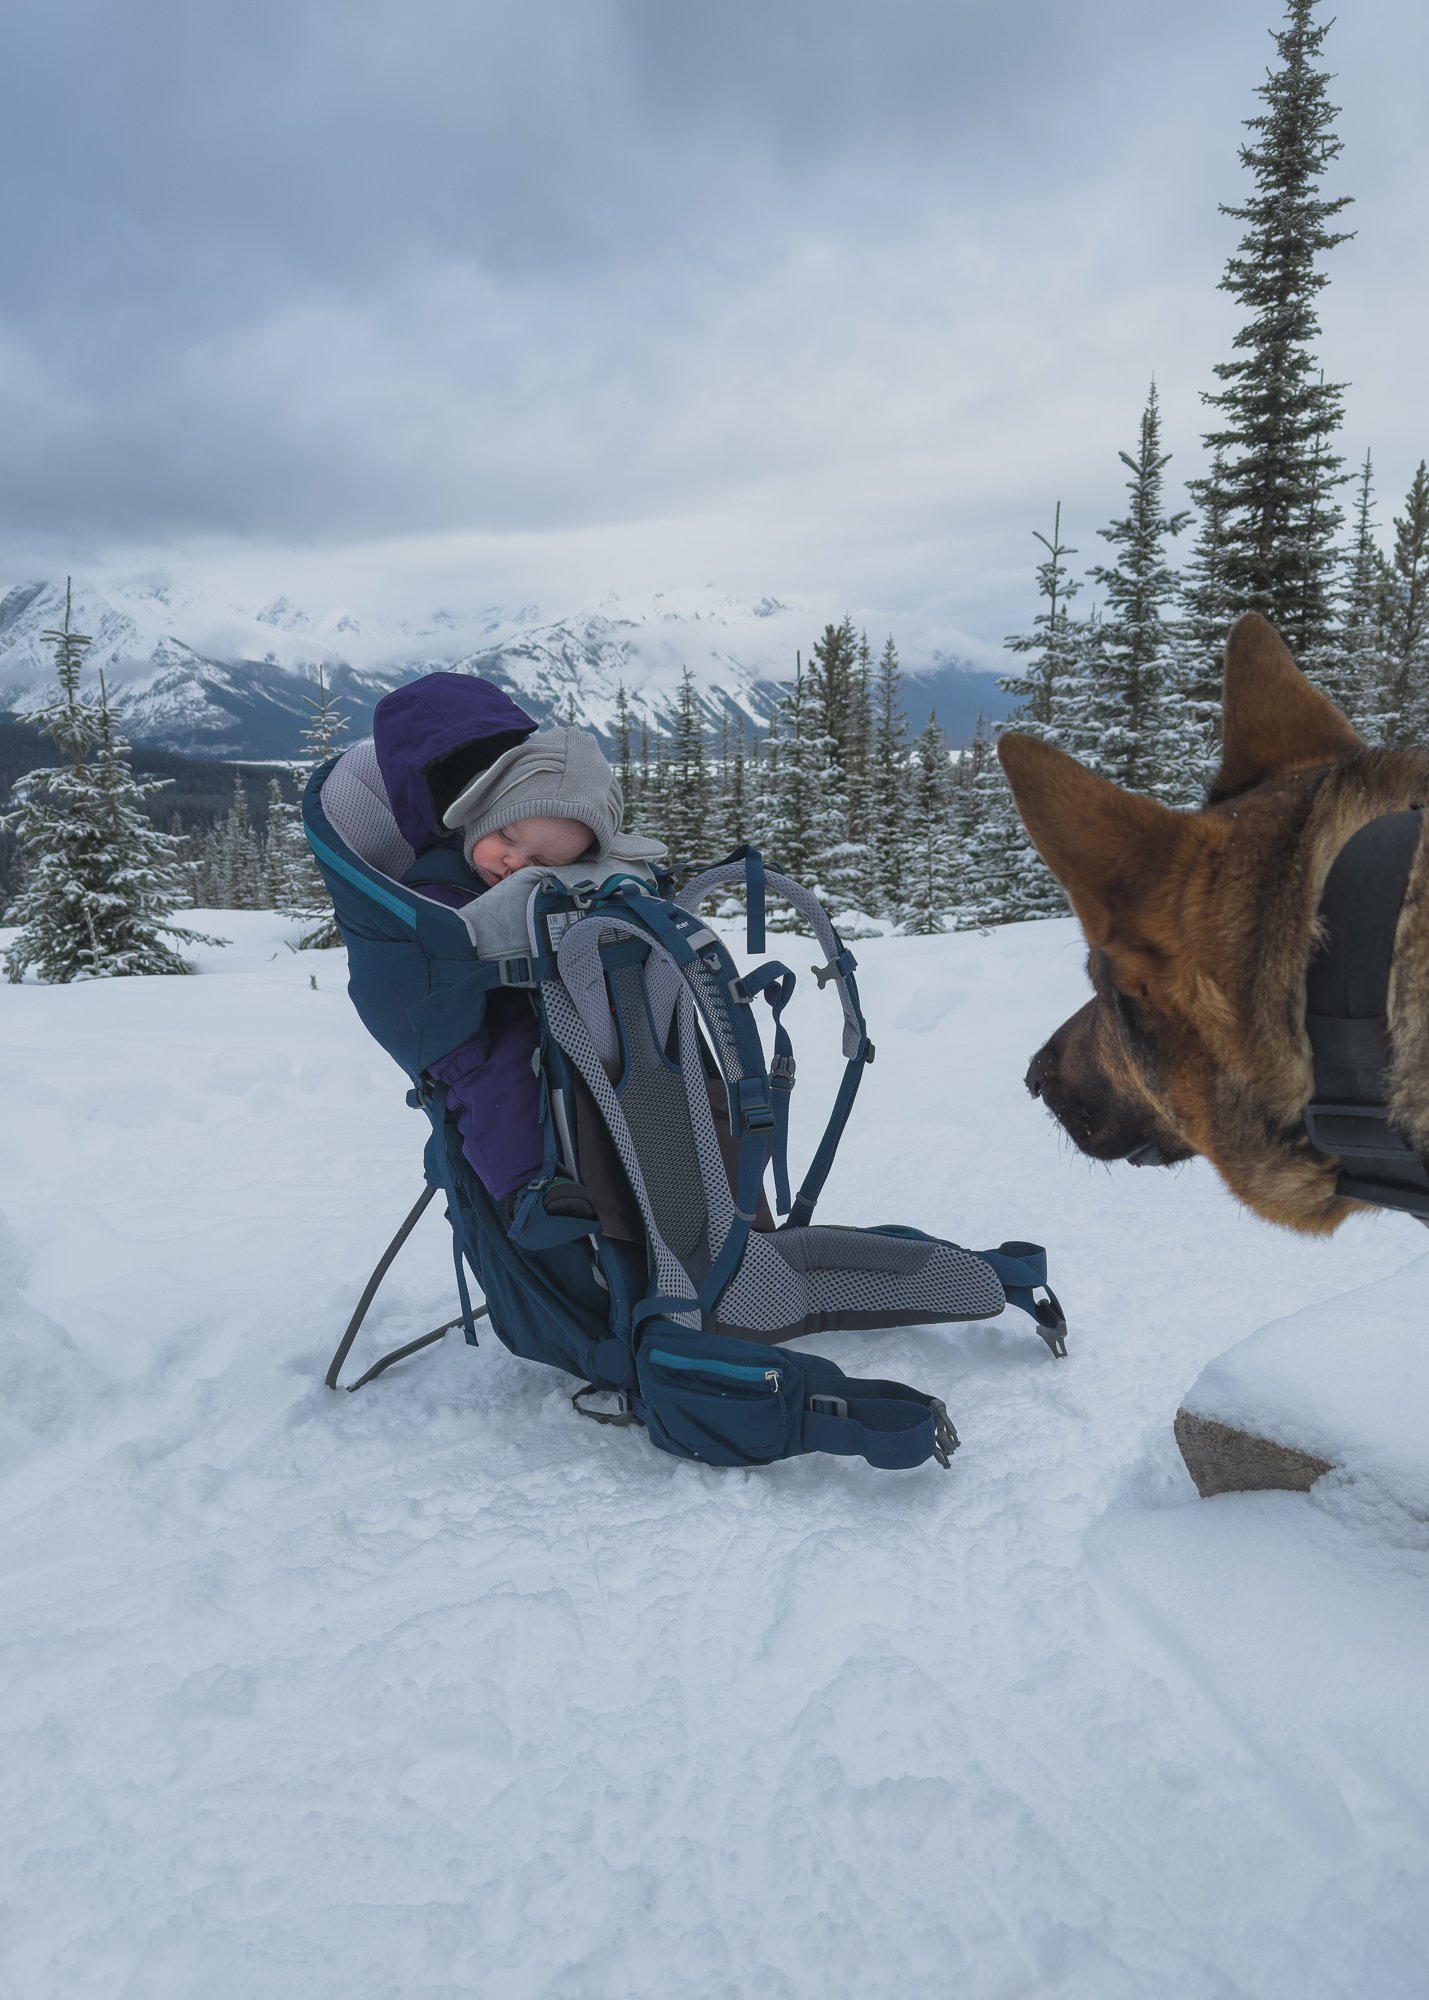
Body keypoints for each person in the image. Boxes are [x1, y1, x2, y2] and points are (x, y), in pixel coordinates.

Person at [371, 674, 662, 1211]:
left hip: (578, 1020)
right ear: (478, 813)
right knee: (499, 1067)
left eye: (543, 863)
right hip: (477, 1016)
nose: (512, 867)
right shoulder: (436, 889)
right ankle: (527, 1188)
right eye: (506, 838)